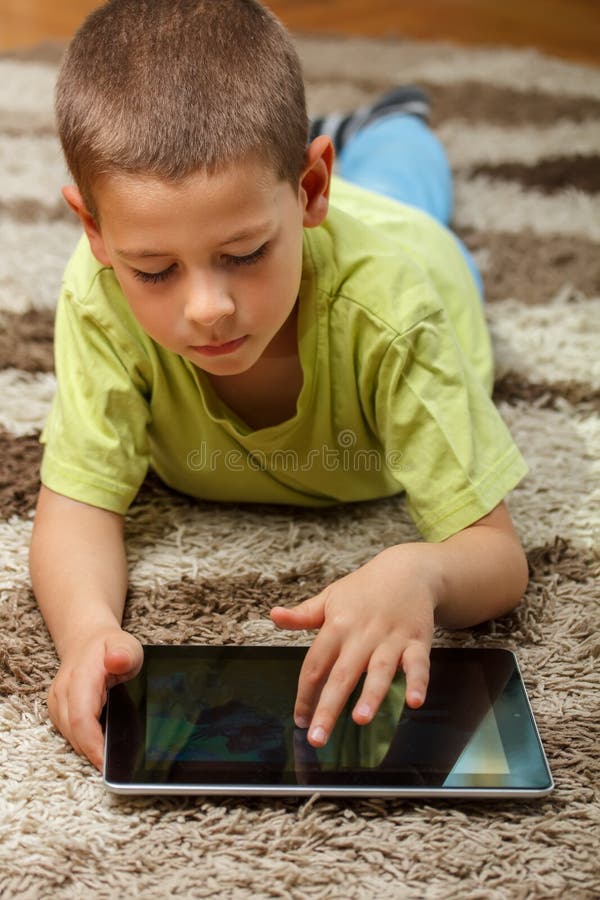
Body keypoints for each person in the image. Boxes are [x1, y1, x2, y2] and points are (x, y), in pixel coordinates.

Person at [30, 0, 529, 772]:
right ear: (94, 231)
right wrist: (88, 630)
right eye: (155, 270)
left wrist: (421, 572)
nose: (206, 308)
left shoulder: (394, 315)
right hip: (291, 212)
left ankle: (386, 122)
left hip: (416, 251)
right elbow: (75, 507)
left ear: (310, 189)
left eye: (245, 253)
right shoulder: (96, 297)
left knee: (408, 180)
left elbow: (497, 555)